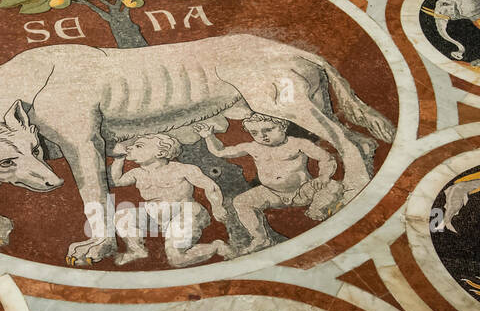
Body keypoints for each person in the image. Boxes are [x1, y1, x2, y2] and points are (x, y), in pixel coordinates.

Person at [195, 114, 344, 254]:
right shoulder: (253, 147)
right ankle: (260, 239)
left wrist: (323, 177)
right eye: (255, 132)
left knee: (333, 186)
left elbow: (326, 158)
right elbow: (221, 152)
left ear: (283, 127)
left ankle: (318, 212)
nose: (262, 136)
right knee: (241, 201)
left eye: (268, 130)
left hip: (302, 190)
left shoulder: (298, 143)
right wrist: (208, 136)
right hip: (271, 193)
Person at [108, 133, 231, 267]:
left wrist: (217, 207)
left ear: (160, 152)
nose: (130, 148)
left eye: (139, 146)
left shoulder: (183, 169)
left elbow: (210, 186)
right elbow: (117, 181)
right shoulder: (137, 173)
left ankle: (215, 246)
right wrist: (119, 159)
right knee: (122, 216)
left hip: (185, 214)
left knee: (176, 259)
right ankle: (137, 250)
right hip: (155, 218)